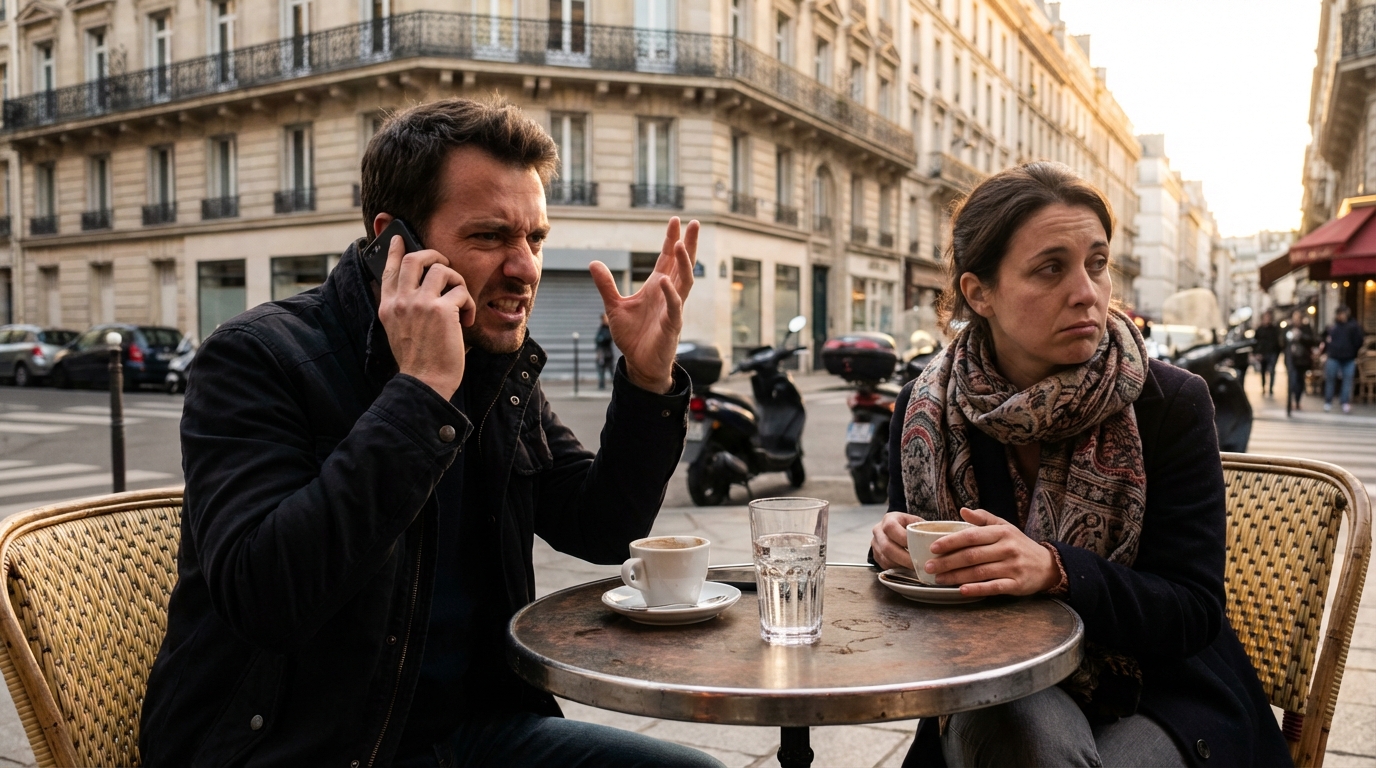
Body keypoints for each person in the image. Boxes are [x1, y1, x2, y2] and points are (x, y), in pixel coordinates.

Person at [140, 98, 724, 768]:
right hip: (303, 746)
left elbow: (599, 527)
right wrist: (418, 393)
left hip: (475, 733)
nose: (526, 269)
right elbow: (266, 597)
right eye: (489, 237)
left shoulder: (493, 366)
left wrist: (647, 383)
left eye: (534, 238)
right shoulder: (258, 357)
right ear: (397, 242)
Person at [868, 163, 1292, 767]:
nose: (1087, 291)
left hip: (1159, 689)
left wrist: (1056, 570)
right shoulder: (927, 409)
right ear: (978, 292)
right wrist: (890, 549)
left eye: (1097, 263)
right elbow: (907, 589)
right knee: (1022, 722)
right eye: (1051, 268)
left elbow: (1192, 611)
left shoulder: (1167, 402)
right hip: (994, 679)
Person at [1321, 305, 1365, 413]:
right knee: (1330, 379)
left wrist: (1353, 352)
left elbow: (1359, 341)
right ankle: (1328, 401)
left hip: (1348, 358)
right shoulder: (1333, 326)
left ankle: (1344, 402)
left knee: (1347, 381)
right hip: (1333, 356)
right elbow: (1325, 339)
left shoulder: (1353, 326)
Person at [1284, 309, 1318, 413]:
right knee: (1293, 380)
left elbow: (1312, 340)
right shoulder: (1288, 328)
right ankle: (1292, 400)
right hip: (1291, 359)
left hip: (1302, 360)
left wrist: (1301, 336)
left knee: (1300, 381)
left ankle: (1297, 401)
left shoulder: (1306, 329)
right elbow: (1282, 341)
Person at [1253, 310, 1281, 396]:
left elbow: (1278, 341)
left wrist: (1277, 352)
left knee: (1272, 370)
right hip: (1263, 353)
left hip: (1272, 353)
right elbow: (1255, 342)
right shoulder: (1259, 329)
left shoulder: (1274, 329)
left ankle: (1271, 389)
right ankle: (1264, 387)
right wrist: (1256, 353)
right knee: (1263, 371)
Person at [596, 313, 615, 390]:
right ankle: (601, 384)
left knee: (611, 369)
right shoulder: (601, 329)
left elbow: (606, 339)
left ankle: (615, 384)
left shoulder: (608, 329)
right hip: (602, 352)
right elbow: (598, 340)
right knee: (601, 369)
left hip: (607, 352)